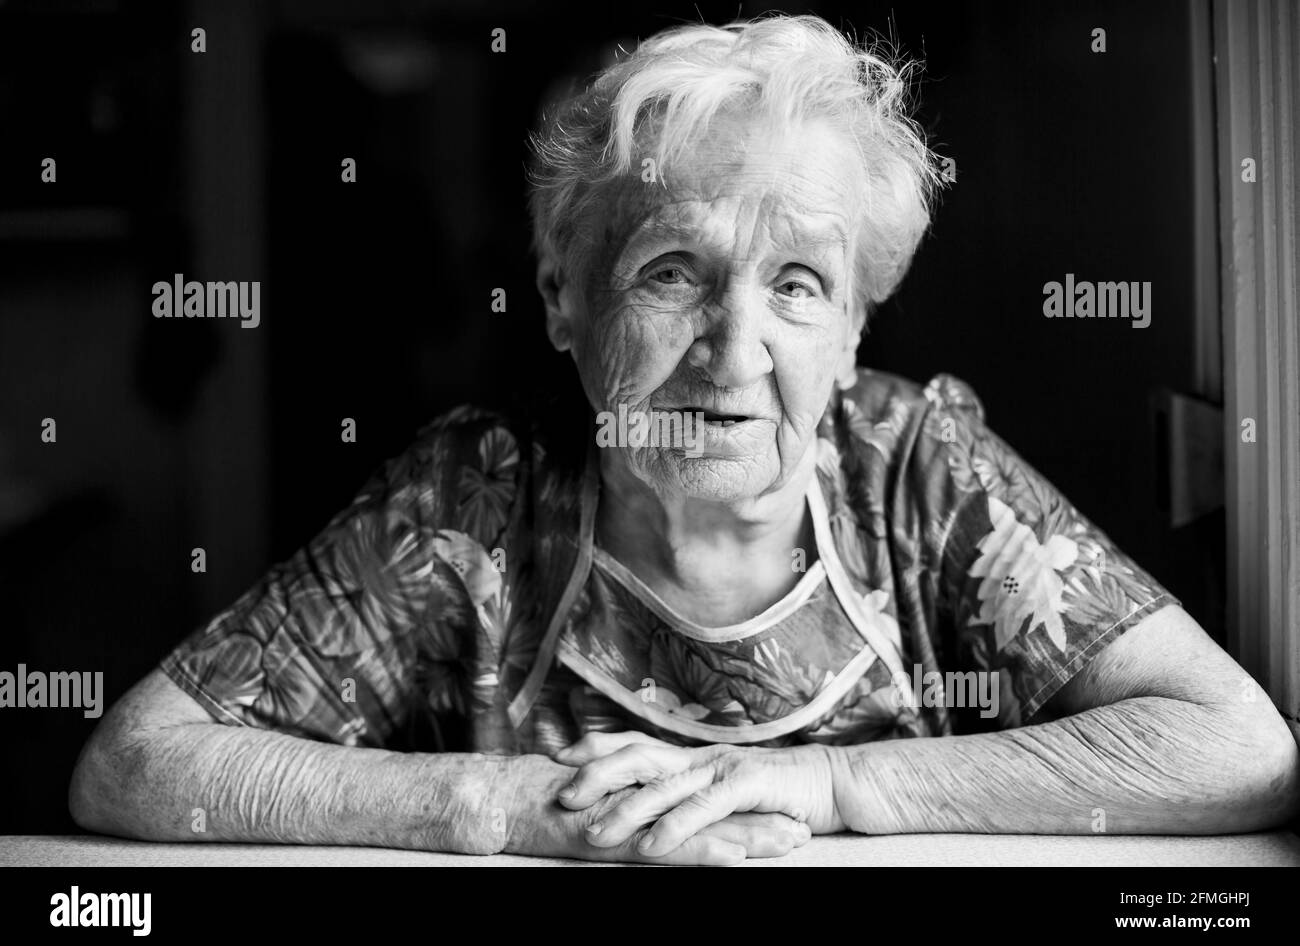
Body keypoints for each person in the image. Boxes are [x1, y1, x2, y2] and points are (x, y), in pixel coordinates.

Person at [69, 14, 1298, 865]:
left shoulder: (920, 470)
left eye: (799, 286)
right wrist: (505, 803)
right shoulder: (477, 496)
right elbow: (134, 764)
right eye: (671, 270)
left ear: (856, 326)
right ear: (562, 297)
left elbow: (1235, 747)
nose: (734, 350)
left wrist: (836, 787)